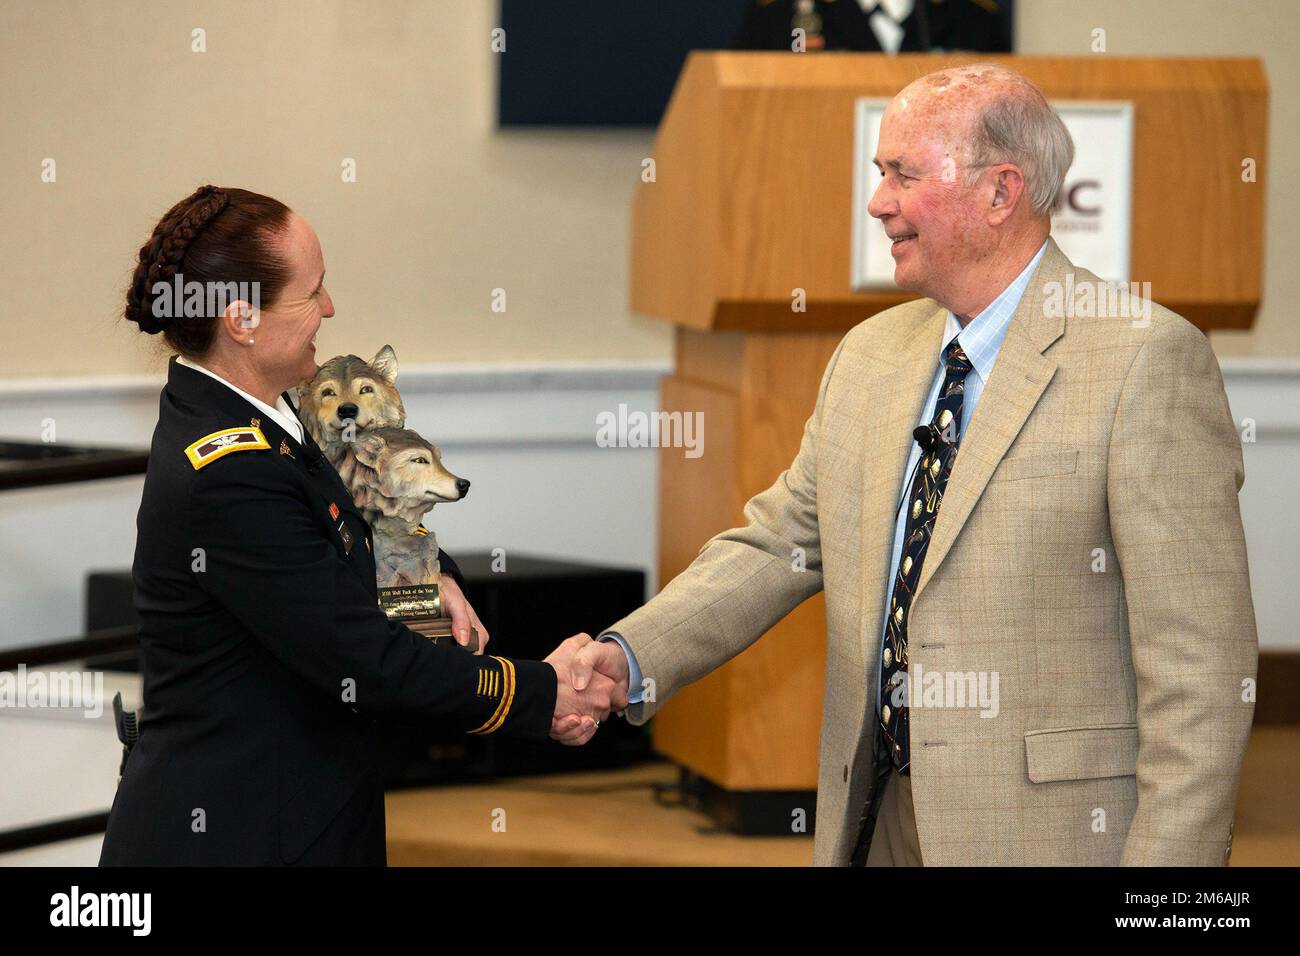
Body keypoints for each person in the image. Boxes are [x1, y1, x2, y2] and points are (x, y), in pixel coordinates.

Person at [573, 64, 1258, 866]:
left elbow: (1201, 671)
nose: (879, 202)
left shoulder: (1146, 361)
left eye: (902, 174)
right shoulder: (870, 356)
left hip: (1052, 838)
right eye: (879, 174)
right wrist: (626, 659)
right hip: (877, 815)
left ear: (1001, 193)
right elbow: (777, 544)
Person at [100, 185, 619, 866]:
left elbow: (353, 533)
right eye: (312, 292)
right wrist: (541, 692)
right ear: (241, 320)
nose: (330, 308)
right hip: (238, 833)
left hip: (297, 815)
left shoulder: (267, 418)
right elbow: (361, 656)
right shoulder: (227, 468)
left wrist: (429, 581)